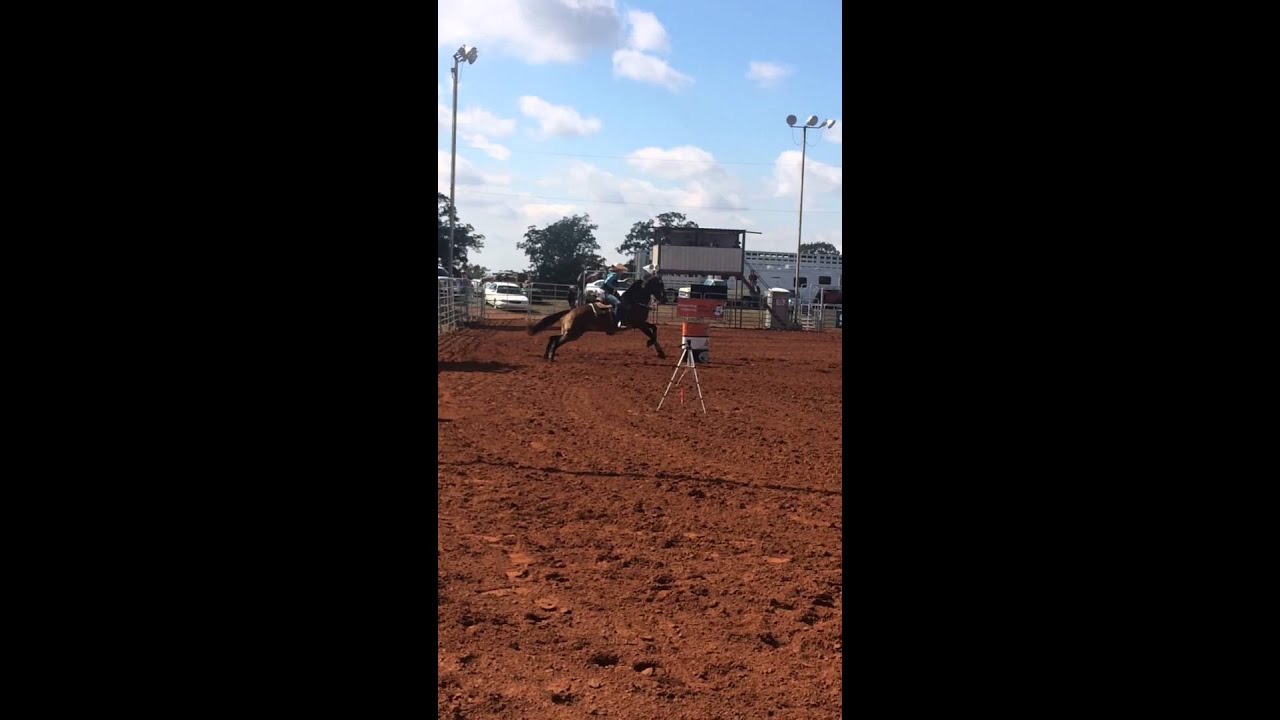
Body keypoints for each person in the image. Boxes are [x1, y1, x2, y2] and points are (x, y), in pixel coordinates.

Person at [599, 263, 628, 329]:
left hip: (606, 292)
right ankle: (615, 321)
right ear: (619, 270)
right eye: (621, 270)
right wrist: (614, 287)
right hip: (606, 293)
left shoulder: (613, 275)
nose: (622, 272)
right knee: (618, 304)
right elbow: (607, 282)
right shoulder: (614, 275)